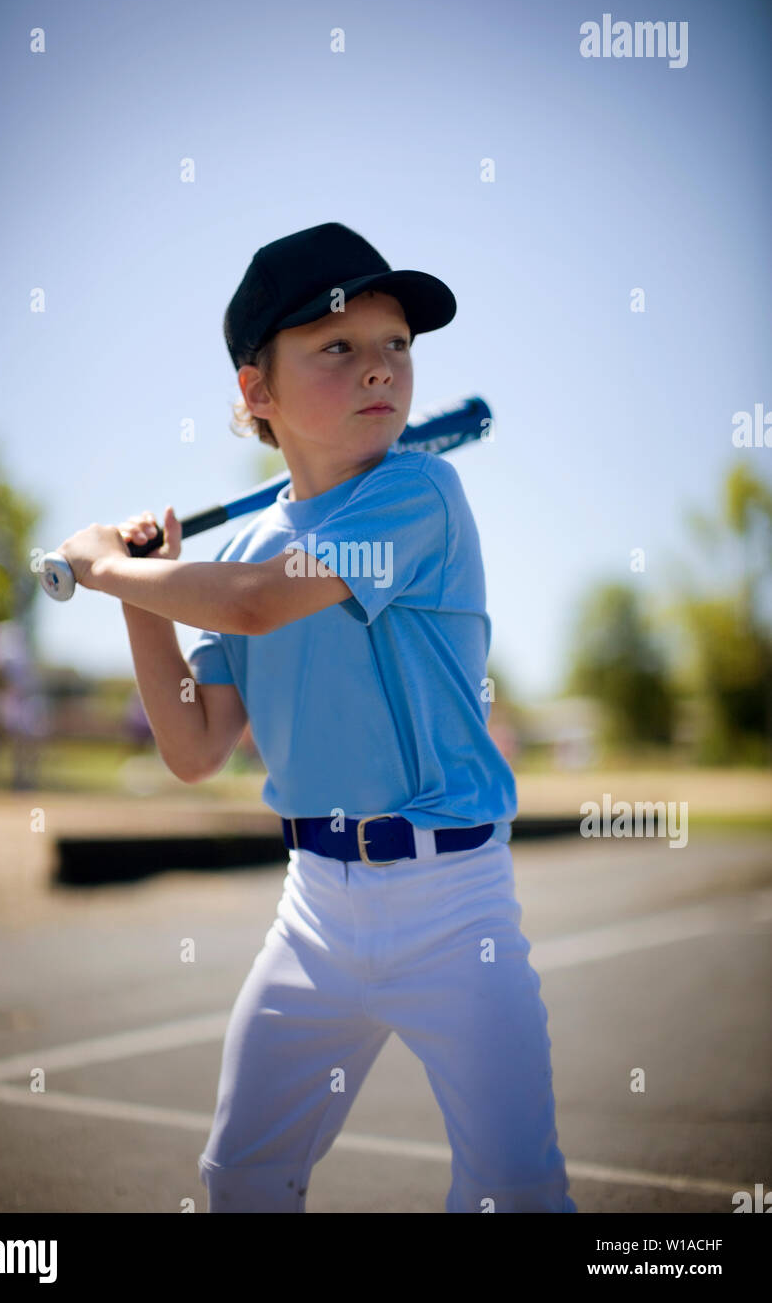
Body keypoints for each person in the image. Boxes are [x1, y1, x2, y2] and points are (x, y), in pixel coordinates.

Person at [56, 221, 577, 1213]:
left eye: (396, 345)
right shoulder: (241, 547)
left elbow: (254, 599)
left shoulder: (418, 492)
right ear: (256, 392)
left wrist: (116, 567)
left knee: (513, 1188)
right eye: (337, 347)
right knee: (240, 1173)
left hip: (452, 902)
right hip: (314, 911)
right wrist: (139, 596)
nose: (379, 368)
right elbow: (194, 747)